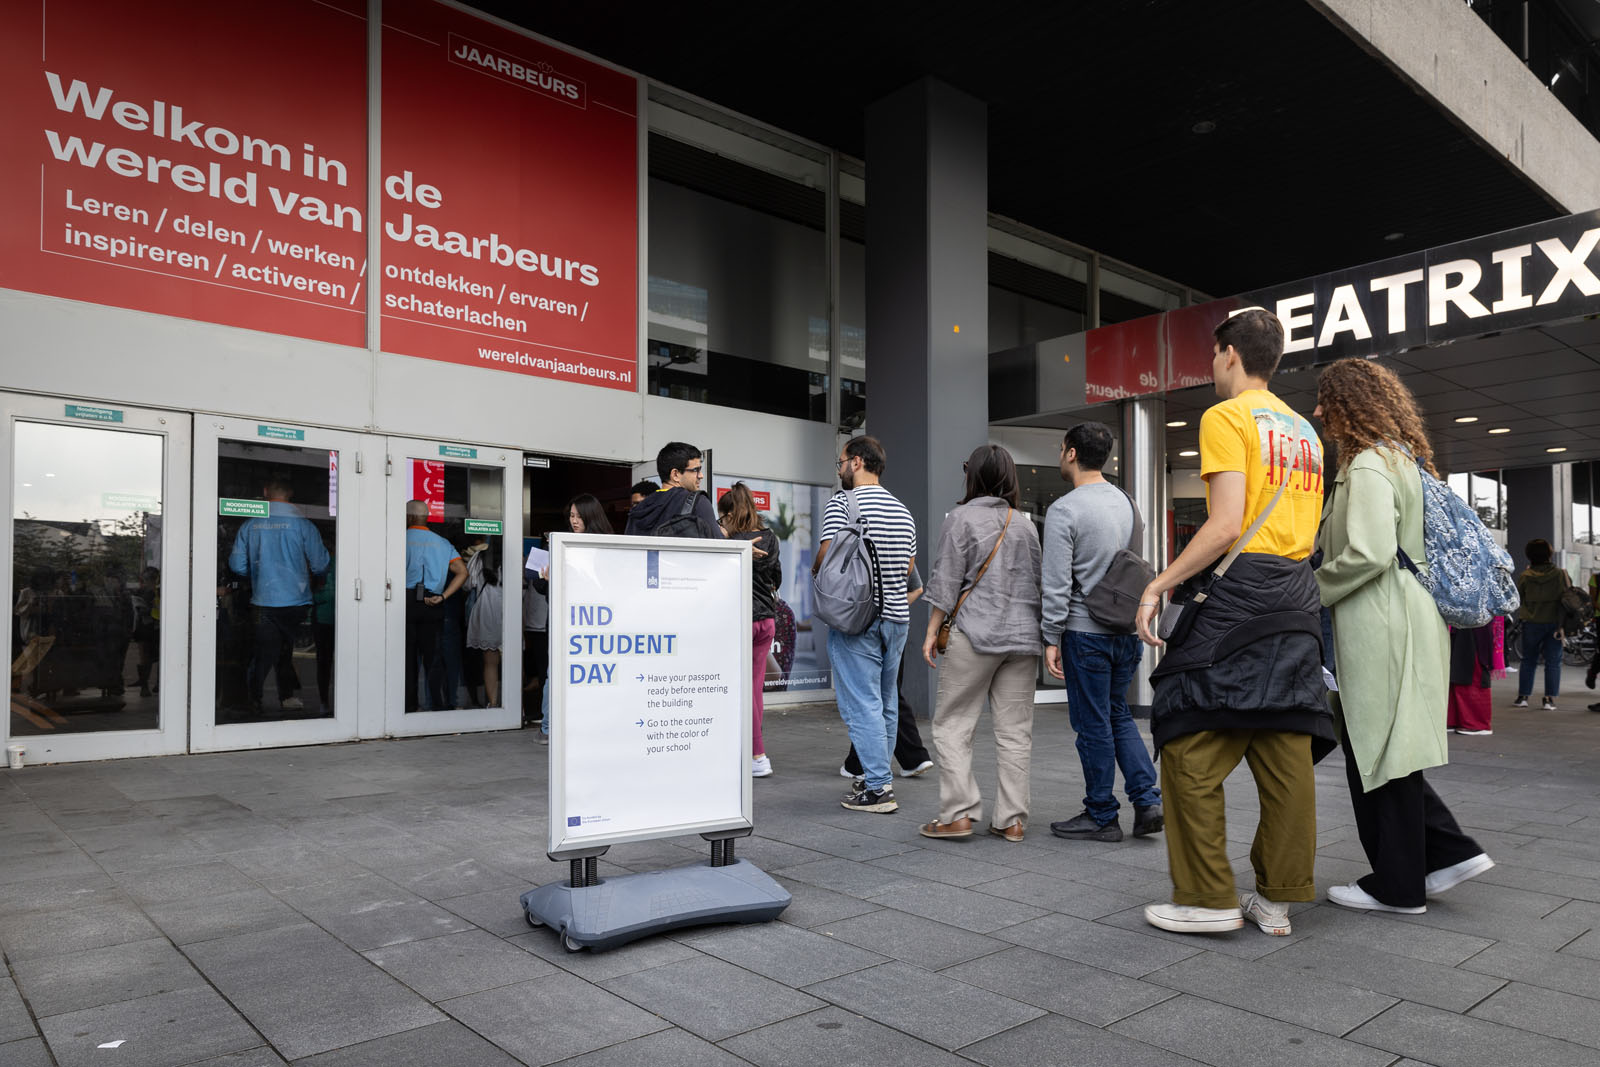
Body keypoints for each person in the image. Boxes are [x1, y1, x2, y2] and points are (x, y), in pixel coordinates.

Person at [1133, 307, 1335, 937]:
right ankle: (1276, 898)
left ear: (1227, 353)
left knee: (1189, 737)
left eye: (1212, 357)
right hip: (1298, 598)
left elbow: (1225, 526)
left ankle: (1206, 897)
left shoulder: (1225, 416)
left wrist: (1156, 585)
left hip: (1241, 595)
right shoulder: (1305, 431)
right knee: (1286, 746)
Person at [1313, 357, 1494, 914]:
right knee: (1389, 747)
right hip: (1406, 616)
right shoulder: (1401, 459)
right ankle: (1445, 852)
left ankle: (1398, 885)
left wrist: (1312, 588)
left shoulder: (1367, 465)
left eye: (1326, 400)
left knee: (1376, 749)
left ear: (1349, 405)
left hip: (1379, 619)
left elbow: (1367, 552)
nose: (1318, 411)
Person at [1042, 421, 1163, 843]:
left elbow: (1056, 583)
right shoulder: (1128, 503)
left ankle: (1100, 814)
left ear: (1071, 453)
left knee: (1092, 723)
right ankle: (1147, 799)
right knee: (1118, 714)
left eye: (1061, 449)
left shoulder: (1066, 509)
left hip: (1084, 631)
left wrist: (1050, 637)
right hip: (1124, 630)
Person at [918, 444, 1041, 842]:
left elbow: (946, 580)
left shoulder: (960, 518)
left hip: (974, 634)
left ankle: (958, 814)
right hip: (1022, 639)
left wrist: (931, 631)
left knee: (953, 725)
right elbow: (1037, 583)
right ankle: (1013, 819)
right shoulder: (1025, 524)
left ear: (973, 474)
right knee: (1015, 732)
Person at [814, 435, 917, 814]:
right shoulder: (902, 509)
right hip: (897, 619)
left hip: (857, 618)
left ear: (856, 462)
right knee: (886, 701)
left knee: (862, 705)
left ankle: (877, 789)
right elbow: (908, 570)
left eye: (841, 462)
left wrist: (815, 569)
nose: (839, 469)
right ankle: (879, 776)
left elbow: (828, 555)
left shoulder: (843, 502)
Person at [229, 475, 330, 715]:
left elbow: (237, 565)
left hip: (264, 599)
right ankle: (287, 696)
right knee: (285, 648)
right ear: (290, 494)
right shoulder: (304, 525)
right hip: (296, 599)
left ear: (266, 492)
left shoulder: (251, 524)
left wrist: (257, 573)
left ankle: (253, 698)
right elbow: (320, 563)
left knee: (264, 650)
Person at [841, 562, 935, 781]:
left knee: (871, 700)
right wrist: (895, 609)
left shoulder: (860, 553)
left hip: (868, 630)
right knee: (886, 698)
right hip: (896, 627)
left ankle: (871, 768)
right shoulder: (899, 548)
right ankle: (903, 759)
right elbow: (917, 588)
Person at [719, 483, 782, 777]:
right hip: (766, 620)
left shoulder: (727, 541)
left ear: (730, 513)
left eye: (723, 516)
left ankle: (757, 755)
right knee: (754, 688)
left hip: (739, 619)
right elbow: (776, 577)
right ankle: (753, 752)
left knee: (738, 689)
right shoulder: (769, 538)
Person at [404, 499, 467, 713]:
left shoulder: (399, 539)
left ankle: (409, 706)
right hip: (434, 602)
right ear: (426, 517)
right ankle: (437, 706)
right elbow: (462, 571)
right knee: (433, 658)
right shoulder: (442, 543)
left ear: (409, 517)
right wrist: (444, 596)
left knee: (407, 656)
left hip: (406, 601)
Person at [625, 443, 721, 537]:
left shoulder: (638, 511)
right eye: (695, 470)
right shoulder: (697, 502)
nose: (701, 476)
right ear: (675, 474)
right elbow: (719, 548)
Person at [1514, 539, 1565, 710]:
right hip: (1554, 624)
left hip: (1531, 622)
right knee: (1553, 662)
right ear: (1549, 554)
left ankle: (1523, 697)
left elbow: (1518, 598)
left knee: (1528, 660)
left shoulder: (1525, 576)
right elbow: (1566, 597)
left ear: (1529, 555)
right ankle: (1549, 699)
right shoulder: (1559, 574)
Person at [466, 560, 504, 708]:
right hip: (510, 606)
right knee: (515, 661)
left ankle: (493, 704)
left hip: (487, 609)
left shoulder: (480, 557)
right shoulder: (516, 555)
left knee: (490, 663)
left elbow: (468, 584)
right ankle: (518, 706)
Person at [1447, 624, 1495, 736]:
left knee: (1472, 673)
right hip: (1460, 624)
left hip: (1476, 624)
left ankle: (1477, 723)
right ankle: (1455, 719)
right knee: (1456, 671)